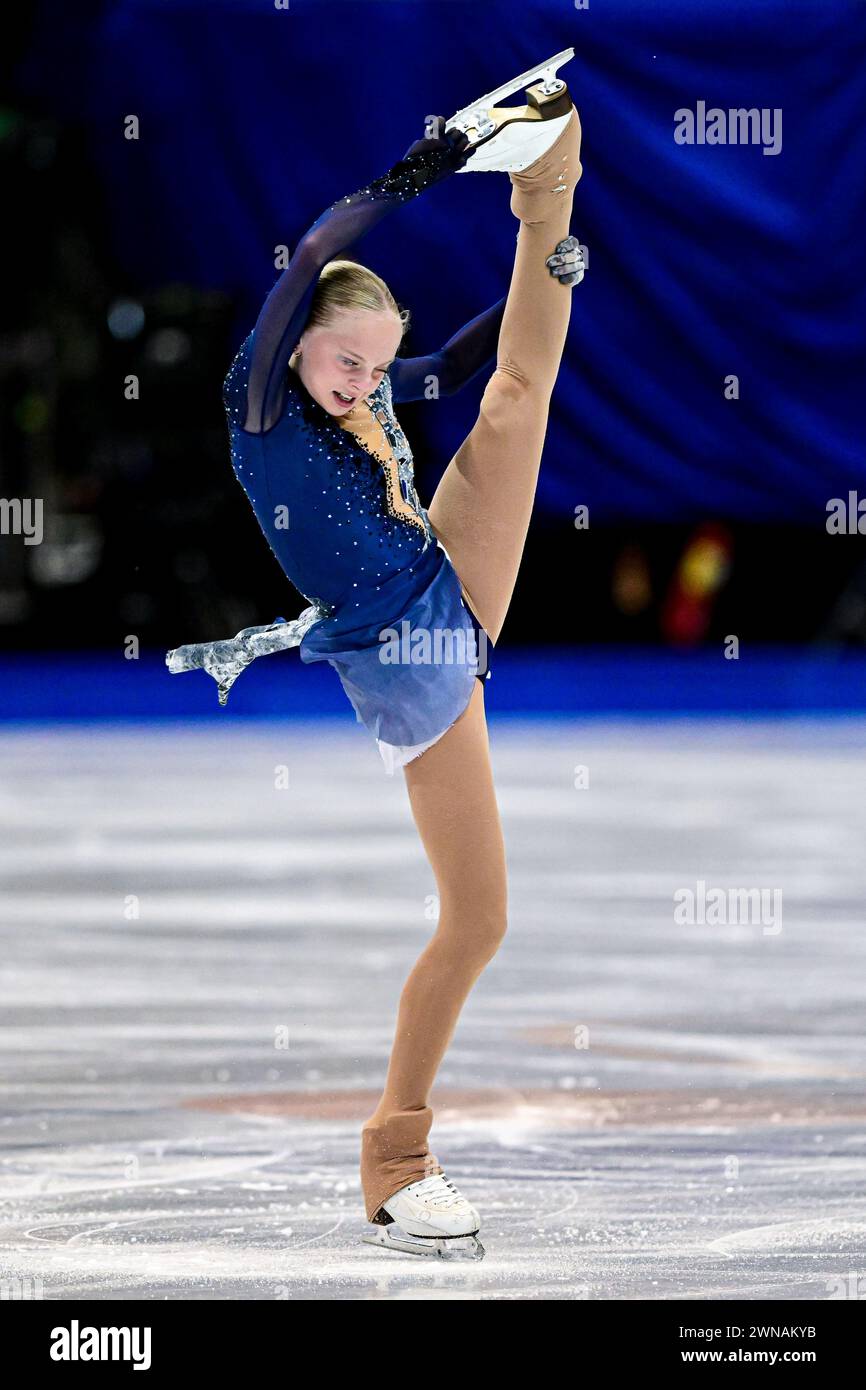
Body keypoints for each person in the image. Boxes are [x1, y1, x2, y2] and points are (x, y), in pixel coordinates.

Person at [167, 62, 584, 1256]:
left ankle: (549, 182)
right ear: (299, 343)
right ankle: (394, 1158)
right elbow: (311, 255)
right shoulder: (260, 393)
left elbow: (459, 369)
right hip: (406, 651)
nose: (359, 386)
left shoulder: (357, 401)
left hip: (448, 571)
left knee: (515, 390)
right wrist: (427, 161)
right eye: (345, 363)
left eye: (369, 369)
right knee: (479, 915)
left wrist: (547, 277)